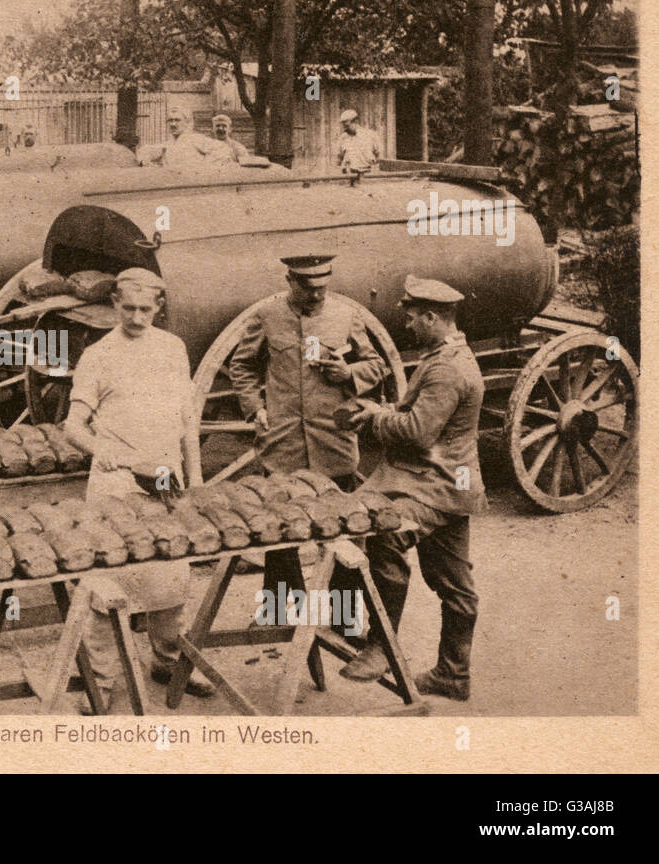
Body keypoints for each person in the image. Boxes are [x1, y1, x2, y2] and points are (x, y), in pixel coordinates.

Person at [62, 267, 215, 713]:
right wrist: (99, 450)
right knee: (107, 585)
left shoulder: (173, 349)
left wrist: (196, 479)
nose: (136, 317)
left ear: (159, 308)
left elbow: (188, 423)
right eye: (127, 308)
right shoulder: (98, 355)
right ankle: (103, 681)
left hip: (165, 480)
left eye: (145, 309)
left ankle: (168, 661)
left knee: (171, 577)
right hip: (115, 484)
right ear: (113, 304)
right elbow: (73, 426)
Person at [338, 276, 486, 701]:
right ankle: (453, 675)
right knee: (454, 583)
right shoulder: (448, 355)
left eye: (412, 318)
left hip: (430, 486)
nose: (407, 325)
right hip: (450, 487)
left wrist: (375, 419)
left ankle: (382, 645)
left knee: (383, 534)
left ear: (432, 317)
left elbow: (419, 433)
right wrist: (382, 408)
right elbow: (422, 416)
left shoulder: (446, 368)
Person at [225, 255, 388, 486]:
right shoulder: (268, 316)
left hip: (333, 444)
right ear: (289, 280)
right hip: (283, 445)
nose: (316, 295)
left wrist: (349, 372)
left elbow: (377, 365)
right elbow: (242, 365)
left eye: (322, 288)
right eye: (308, 287)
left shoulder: (346, 315)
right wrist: (255, 408)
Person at [154, 108, 232, 174]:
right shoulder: (168, 144)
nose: (173, 124)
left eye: (177, 120)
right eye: (170, 120)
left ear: (186, 123)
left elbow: (223, 148)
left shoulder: (195, 139)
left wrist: (202, 169)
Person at [336, 109, 382, 175]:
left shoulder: (371, 135)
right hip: (349, 175)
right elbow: (338, 159)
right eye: (344, 126)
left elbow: (379, 155)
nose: (345, 129)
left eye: (347, 126)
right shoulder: (342, 138)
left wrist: (375, 171)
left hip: (367, 174)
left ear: (356, 121)